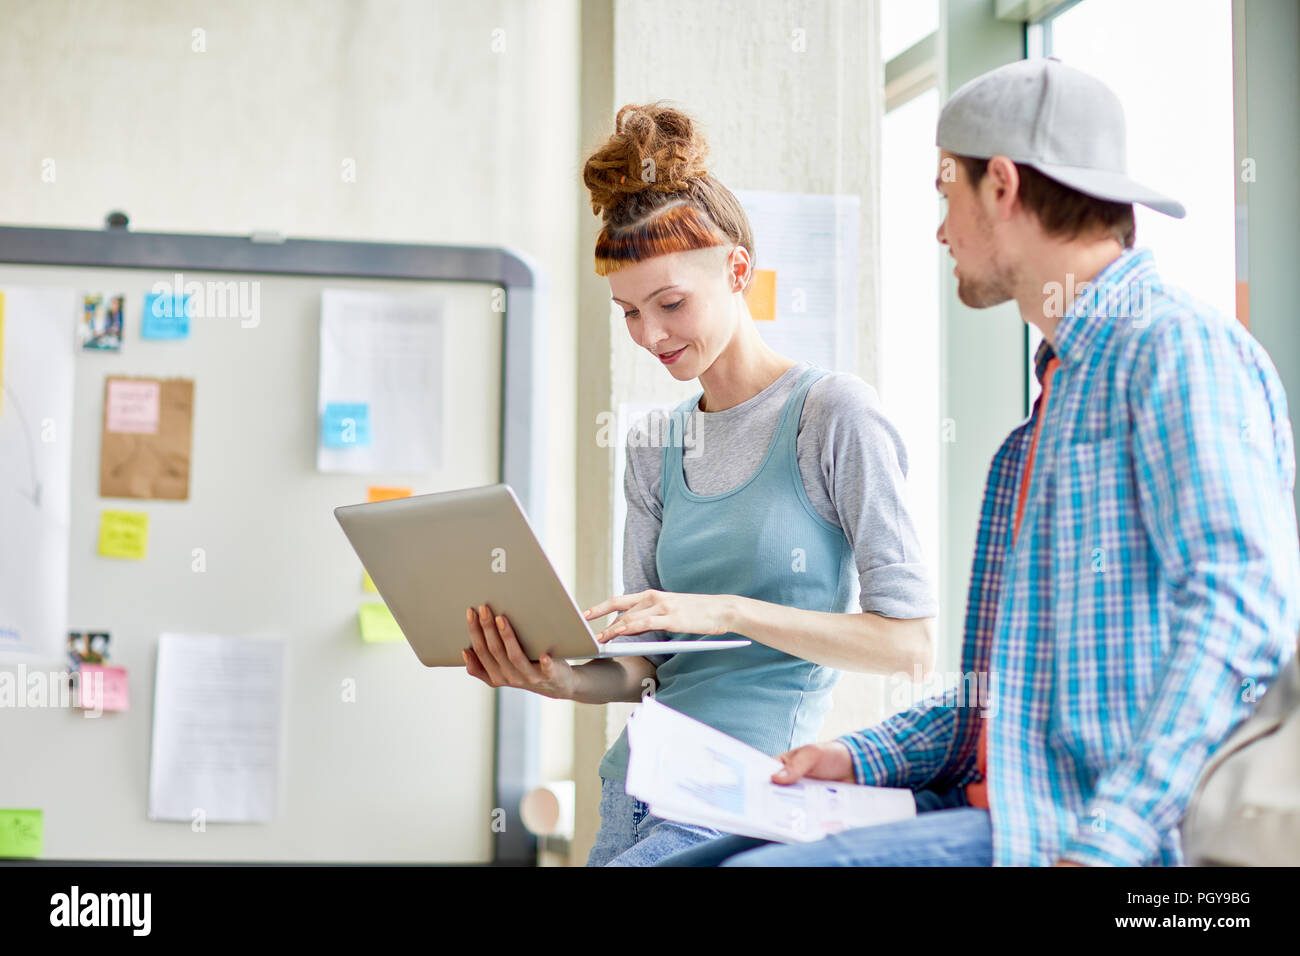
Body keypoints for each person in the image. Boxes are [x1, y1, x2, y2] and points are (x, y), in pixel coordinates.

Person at [656, 58, 1300, 867]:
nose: (939, 229)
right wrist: (863, 756)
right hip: (987, 804)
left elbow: (1242, 622)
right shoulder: (1056, 399)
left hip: (1078, 834)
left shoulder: (1177, 353)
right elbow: (1007, 692)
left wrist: (1110, 844)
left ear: (1000, 186)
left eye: (943, 191)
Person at [461, 101, 938, 866]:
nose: (650, 335)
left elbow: (908, 643)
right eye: (628, 313)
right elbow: (649, 666)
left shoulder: (834, 416)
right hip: (635, 784)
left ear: (738, 270)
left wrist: (721, 610)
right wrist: (561, 680)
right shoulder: (653, 443)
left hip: (745, 795)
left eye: (671, 304)